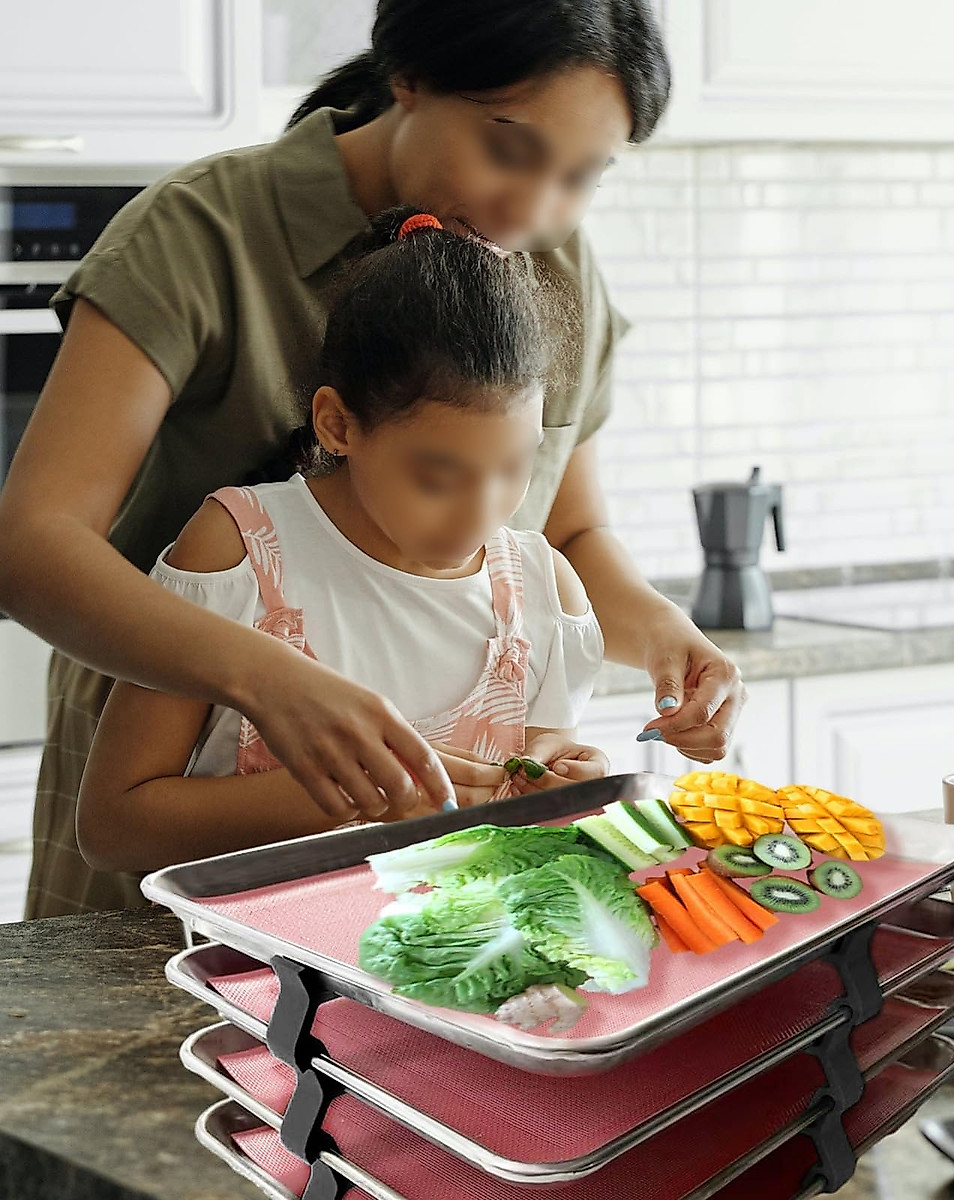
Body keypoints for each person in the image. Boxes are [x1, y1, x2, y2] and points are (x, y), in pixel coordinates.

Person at [0, 0, 747, 918]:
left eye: (582, 176)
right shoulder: (203, 232)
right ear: (410, 78)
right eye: (510, 149)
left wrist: (669, 637)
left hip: (411, 894)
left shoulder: (548, 262)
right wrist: (270, 679)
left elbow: (568, 531)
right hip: (182, 800)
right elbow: (31, 544)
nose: (538, 208)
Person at [77, 209, 610, 872]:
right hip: (269, 970)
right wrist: (346, 799)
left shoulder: (538, 587)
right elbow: (113, 828)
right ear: (337, 425)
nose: (484, 511)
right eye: (439, 477)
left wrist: (568, 782)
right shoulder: (239, 552)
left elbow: (541, 765)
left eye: (512, 468)